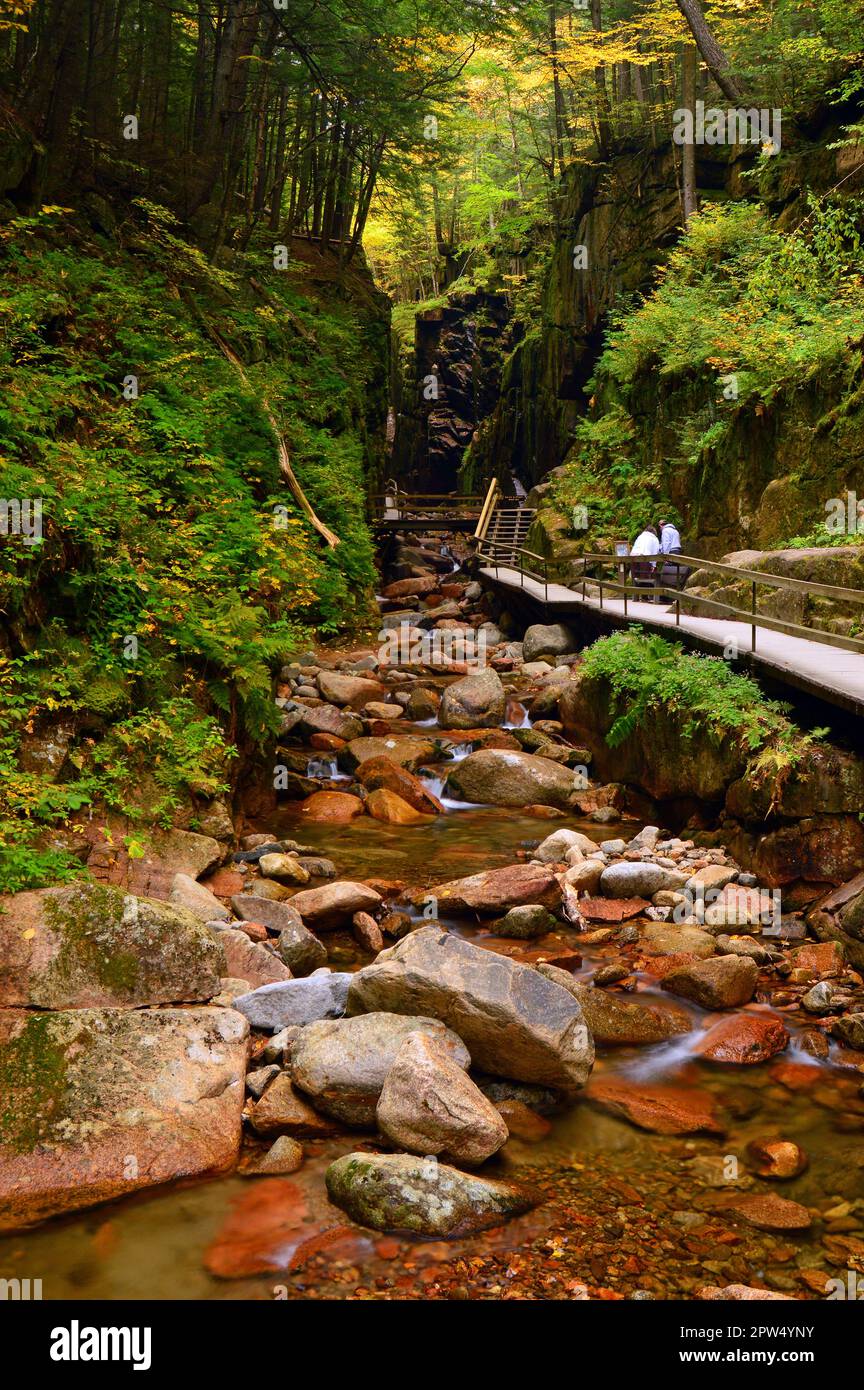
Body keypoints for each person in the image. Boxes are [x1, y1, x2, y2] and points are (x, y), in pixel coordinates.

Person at [630, 524, 660, 598]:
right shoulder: (654, 539)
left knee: (636, 577)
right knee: (645, 577)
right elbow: (655, 552)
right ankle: (645, 596)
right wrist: (653, 565)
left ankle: (635, 596)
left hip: (633, 557)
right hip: (644, 558)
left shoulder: (640, 537)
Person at [658, 518, 688, 592]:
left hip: (671, 552)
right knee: (675, 572)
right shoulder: (675, 531)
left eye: (659, 527)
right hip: (677, 551)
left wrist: (666, 556)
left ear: (661, 525)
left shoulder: (665, 530)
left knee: (667, 572)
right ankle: (675, 591)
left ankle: (666, 592)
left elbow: (666, 543)